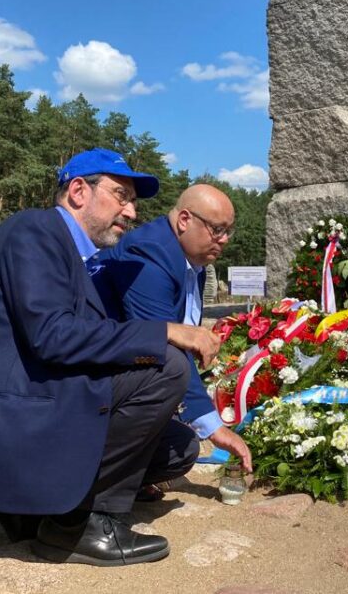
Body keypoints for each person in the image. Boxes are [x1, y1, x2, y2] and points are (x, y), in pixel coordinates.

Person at [0, 148, 221, 567]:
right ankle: (75, 527)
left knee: (176, 446)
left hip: (33, 400)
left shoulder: (72, 250)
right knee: (167, 366)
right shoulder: (35, 231)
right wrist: (163, 331)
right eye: (121, 196)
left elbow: (75, 340)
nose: (131, 211)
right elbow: (53, 337)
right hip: (7, 420)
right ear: (79, 191)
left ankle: (32, 510)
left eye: (132, 201)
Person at [93, 184, 253, 484]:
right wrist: (214, 428)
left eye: (228, 231)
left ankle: (125, 479)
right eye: (217, 229)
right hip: (88, 386)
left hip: (119, 380)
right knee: (171, 366)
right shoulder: (149, 254)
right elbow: (164, 346)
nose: (224, 239)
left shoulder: (192, 260)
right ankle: (91, 495)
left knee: (182, 448)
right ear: (184, 220)